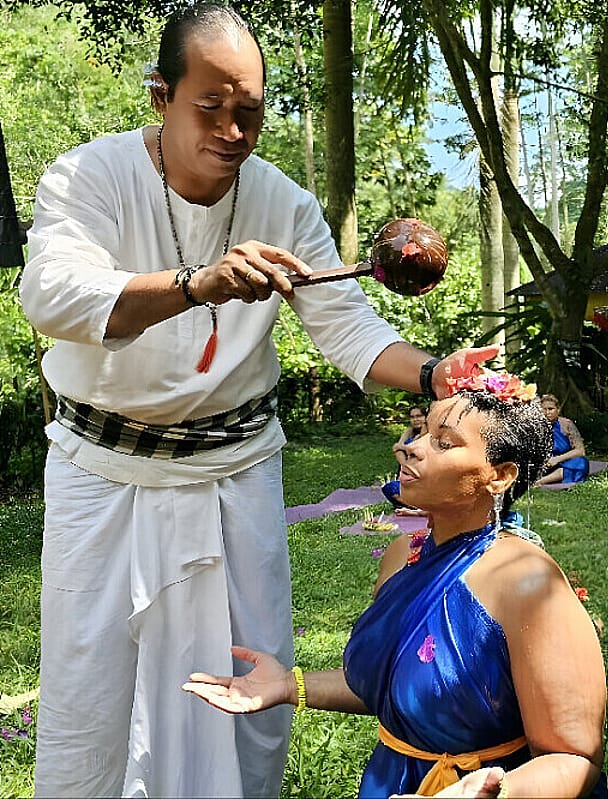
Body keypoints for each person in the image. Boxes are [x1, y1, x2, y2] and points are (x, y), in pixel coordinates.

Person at [18, 5, 496, 796]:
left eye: (250, 112)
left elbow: (348, 327)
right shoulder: (91, 177)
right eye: (211, 107)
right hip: (100, 475)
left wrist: (433, 372)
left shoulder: (284, 203)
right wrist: (193, 283)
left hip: (234, 473)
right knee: (91, 688)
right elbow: (52, 297)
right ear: (161, 95)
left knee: (248, 690)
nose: (233, 131)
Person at [183, 377, 607, 798]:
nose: (412, 447)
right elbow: (400, 686)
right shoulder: (403, 554)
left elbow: (574, 757)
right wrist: (291, 685)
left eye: (444, 443)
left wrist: (487, 791)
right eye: (422, 434)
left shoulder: (528, 581)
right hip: (390, 780)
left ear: (499, 475)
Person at [533, 393, 589, 486]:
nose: (547, 412)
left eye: (550, 409)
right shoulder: (535, 425)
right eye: (544, 409)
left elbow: (580, 451)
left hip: (564, 461)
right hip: (542, 464)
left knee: (581, 463)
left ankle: (540, 482)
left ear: (558, 410)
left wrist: (556, 459)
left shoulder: (566, 424)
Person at [383, 405, 430, 514]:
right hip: (409, 473)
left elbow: (405, 448)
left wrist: (404, 448)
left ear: (426, 417)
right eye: (412, 417)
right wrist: (406, 466)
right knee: (390, 488)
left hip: (424, 477)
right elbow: (397, 448)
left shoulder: (430, 434)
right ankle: (416, 507)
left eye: (419, 416)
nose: (415, 419)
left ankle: (423, 509)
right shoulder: (410, 432)